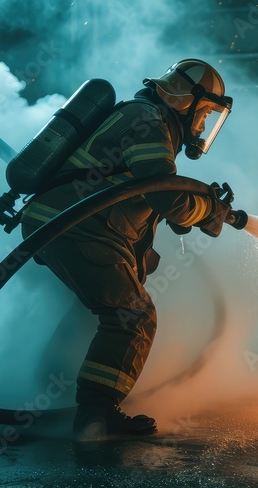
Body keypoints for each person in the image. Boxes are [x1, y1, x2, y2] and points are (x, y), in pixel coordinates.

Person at [20, 59, 235, 440]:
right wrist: (210, 209)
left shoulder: (150, 121)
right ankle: (95, 417)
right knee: (132, 316)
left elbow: (153, 194)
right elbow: (163, 192)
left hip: (66, 223)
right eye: (204, 114)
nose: (202, 126)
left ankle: (42, 391)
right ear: (186, 101)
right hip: (78, 226)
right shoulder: (148, 120)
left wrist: (194, 207)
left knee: (91, 312)